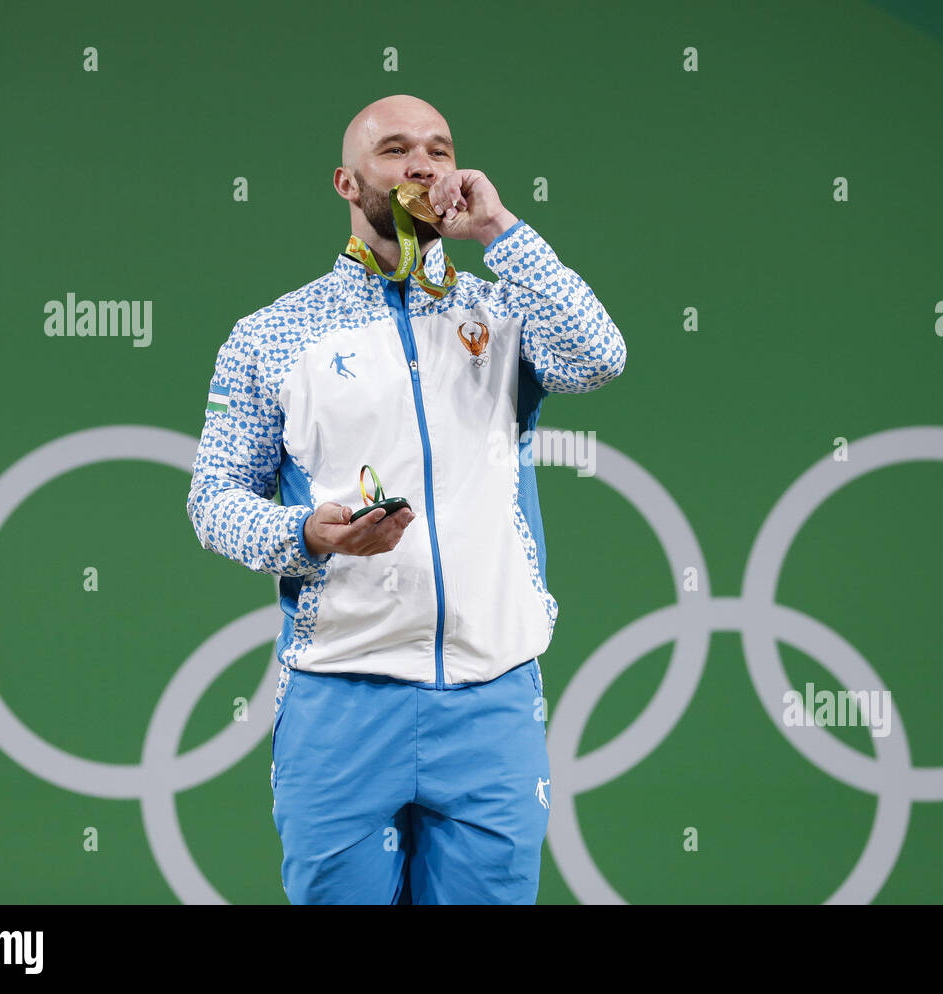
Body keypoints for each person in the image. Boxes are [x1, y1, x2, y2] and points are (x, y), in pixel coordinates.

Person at [185, 93, 627, 904]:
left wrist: (500, 232)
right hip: (341, 694)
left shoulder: (501, 315)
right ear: (347, 184)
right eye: (394, 150)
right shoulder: (273, 335)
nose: (421, 164)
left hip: (491, 694)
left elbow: (600, 358)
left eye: (439, 148)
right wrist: (304, 535)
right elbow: (212, 499)